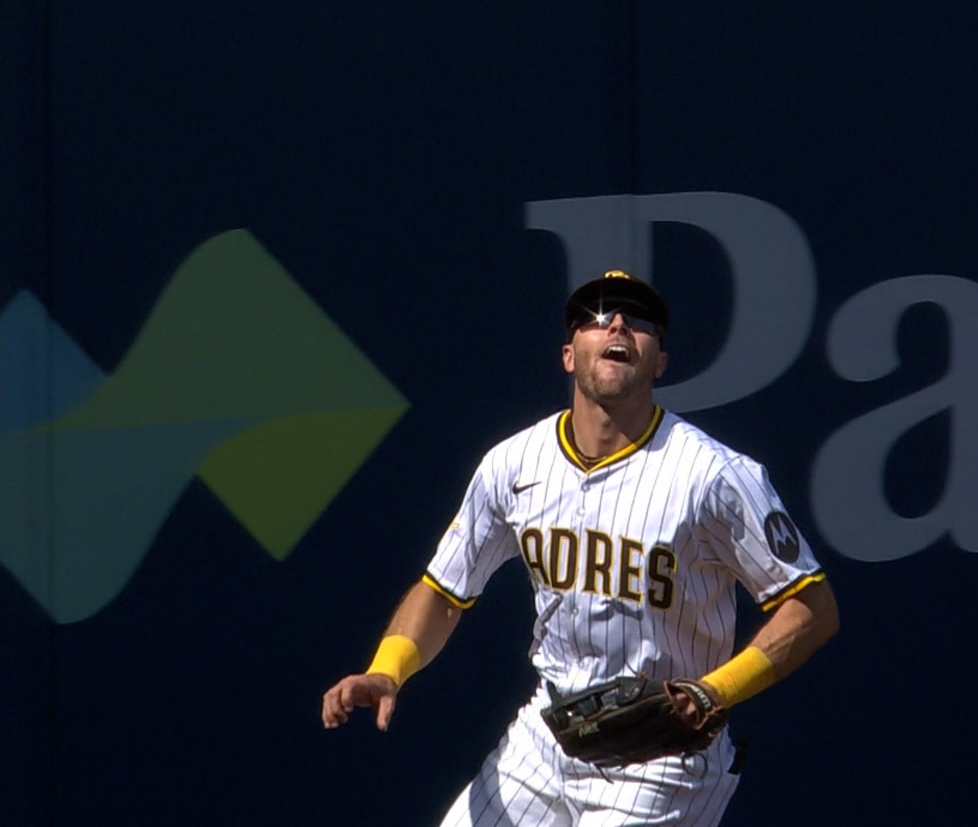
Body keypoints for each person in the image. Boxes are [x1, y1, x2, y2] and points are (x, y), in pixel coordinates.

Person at [320, 270, 839, 827]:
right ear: (569, 354)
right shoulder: (514, 464)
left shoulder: (714, 477)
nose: (617, 323)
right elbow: (445, 591)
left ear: (659, 361)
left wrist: (716, 691)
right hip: (549, 736)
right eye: (598, 316)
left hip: (667, 756)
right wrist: (388, 670)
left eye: (639, 321)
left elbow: (813, 609)